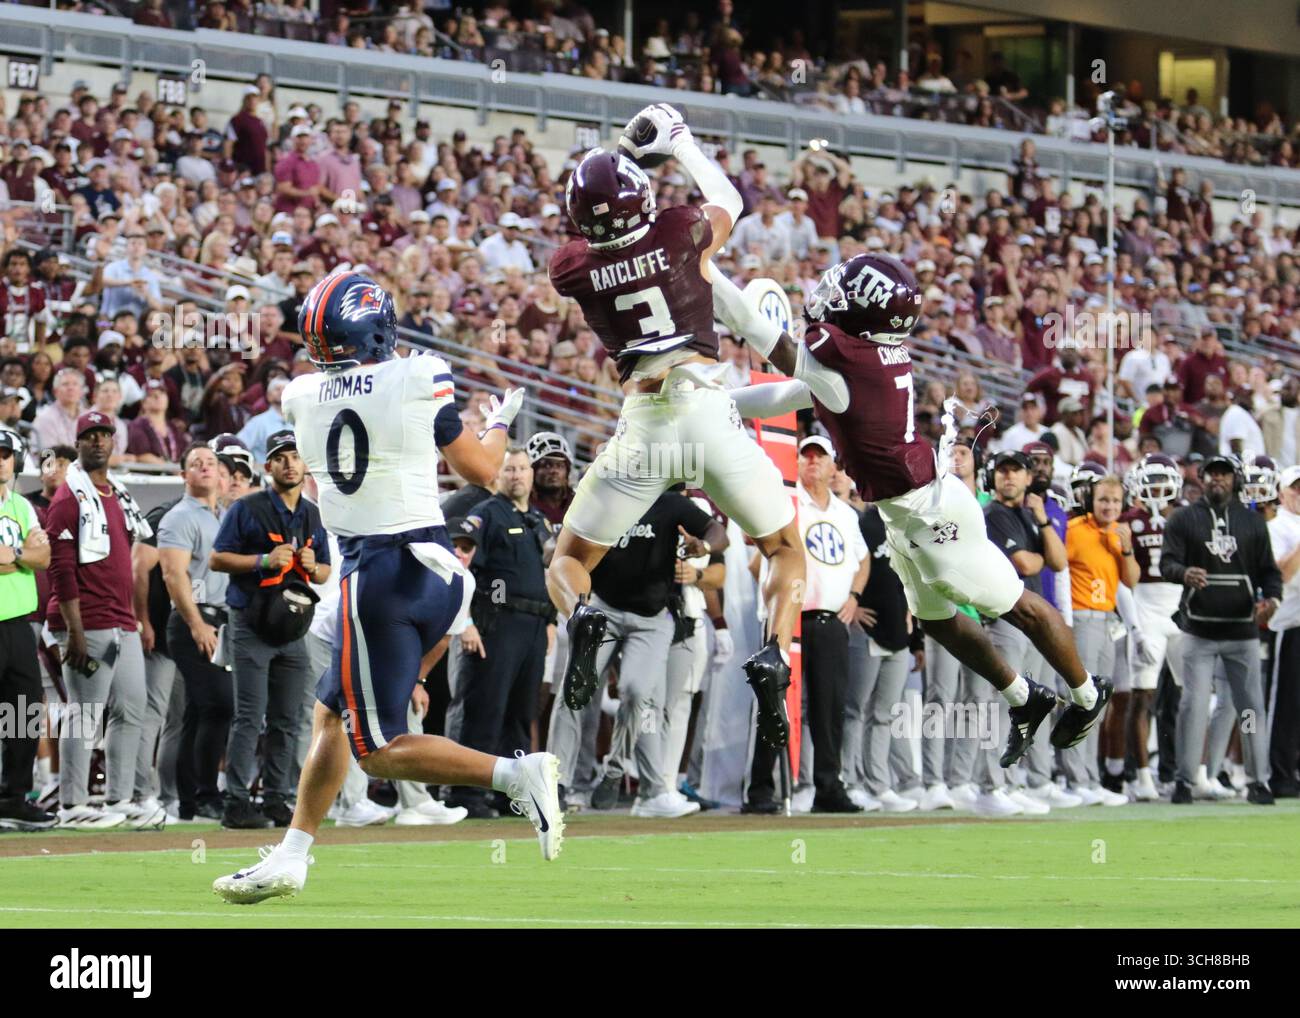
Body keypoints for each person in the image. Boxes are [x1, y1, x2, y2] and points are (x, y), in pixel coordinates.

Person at [213, 273, 559, 905]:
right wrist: (502, 422)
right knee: (329, 715)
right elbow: (482, 469)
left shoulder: (300, 393)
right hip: (431, 569)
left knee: (377, 749)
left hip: (379, 575)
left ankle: (515, 773)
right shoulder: (421, 373)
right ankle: (293, 855)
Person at [724, 252, 1111, 776]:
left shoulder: (851, 360)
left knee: (1014, 606)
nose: (832, 295)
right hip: (903, 510)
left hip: (929, 510)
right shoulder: (860, 361)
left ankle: (1087, 695)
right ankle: (1026, 697)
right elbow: (785, 393)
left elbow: (766, 338)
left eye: (845, 291)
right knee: (937, 621)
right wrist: (716, 404)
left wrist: (705, 274)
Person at [546, 106, 805, 757]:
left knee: (571, 562)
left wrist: (614, 154)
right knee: (783, 547)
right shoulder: (676, 232)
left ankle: (584, 623)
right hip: (710, 413)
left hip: (644, 425)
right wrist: (679, 142)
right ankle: (774, 654)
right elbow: (728, 198)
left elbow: (595, 216)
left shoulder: (571, 267)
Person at [554, 487, 725, 818]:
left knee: (638, 692)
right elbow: (565, 546)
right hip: (603, 608)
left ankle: (616, 768)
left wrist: (702, 545)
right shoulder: (602, 495)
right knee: (575, 689)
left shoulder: (671, 502)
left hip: (652, 619)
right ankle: (556, 780)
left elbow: (718, 534)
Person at [46, 411, 162, 830]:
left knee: (131, 709)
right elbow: (60, 571)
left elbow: (128, 565)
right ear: (77, 444)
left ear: (114, 442)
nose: (97, 442)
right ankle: (72, 804)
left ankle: (120, 798)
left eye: (104, 435)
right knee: (83, 712)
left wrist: (136, 618)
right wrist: (73, 630)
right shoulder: (68, 498)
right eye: (89, 436)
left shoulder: (119, 495)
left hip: (120, 620)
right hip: (86, 622)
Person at [210, 429, 329, 831]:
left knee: (290, 717)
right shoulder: (248, 507)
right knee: (249, 715)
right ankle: (237, 800)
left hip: (294, 624)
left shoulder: (312, 512)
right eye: (281, 457)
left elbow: (327, 571)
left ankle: (278, 797)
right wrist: (261, 561)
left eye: (295, 456)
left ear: (305, 464)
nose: (290, 463)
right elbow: (217, 559)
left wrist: (314, 567)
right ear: (268, 466)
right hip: (251, 621)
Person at [1161, 453, 1281, 805]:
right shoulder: (1183, 519)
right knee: (1193, 706)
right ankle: (1185, 780)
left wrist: (1271, 599)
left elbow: (1269, 572)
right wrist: (1184, 574)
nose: (1217, 480)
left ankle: (1258, 781)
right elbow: (1167, 562)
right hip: (1199, 631)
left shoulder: (1253, 522)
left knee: (1249, 709)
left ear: (1235, 479)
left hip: (1242, 631)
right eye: (1211, 474)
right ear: (1201, 478)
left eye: (1224, 475)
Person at [447, 448, 555, 817]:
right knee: (484, 708)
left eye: (524, 468)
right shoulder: (486, 516)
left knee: (521, 713)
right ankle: (466, 794)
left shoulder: (538, 520)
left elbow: (547, 575)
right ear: (497, 474)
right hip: (496, 622)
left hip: (534, 625)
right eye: (510, 468)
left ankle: (512, 795)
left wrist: (551, 620)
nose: (518, 475)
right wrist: (467, 622)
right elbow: (463, 569)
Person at [784, 435, 871, 813]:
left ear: (835, 466)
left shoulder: (846, 514)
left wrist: (854, 597)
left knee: (830, 708)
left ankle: (828, 786)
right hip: (790, 617)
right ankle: (773, 788)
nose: (813, 462)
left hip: (832, 618)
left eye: (821, 457)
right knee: (781, 706)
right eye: (807, 456)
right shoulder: (788, 505)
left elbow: (863, 560)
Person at [981, 449, 1068, 815]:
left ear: (1029, 478)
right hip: (1005, 615)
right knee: (1002, 704)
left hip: (1030, 620)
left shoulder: (1031, 516)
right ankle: (991, 787)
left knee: (1027, 706)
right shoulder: (993, 514)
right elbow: (1024, 562)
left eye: (1016, 471)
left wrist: (1044, 523)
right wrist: (1041, 556)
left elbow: (1059, 561)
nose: (1009, 477)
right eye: (1003, 471)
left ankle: (1013, 782)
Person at [158, 444, 231, 823]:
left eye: (211, 463)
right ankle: (203, 795)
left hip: (222, 619)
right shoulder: (180, 517)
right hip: (194, 620)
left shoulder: (225, 514)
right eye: (195, 464)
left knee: (198, 711)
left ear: (221, 474)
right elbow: (173, 574)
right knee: (217, 705)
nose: (204, 468)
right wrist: (195, 623)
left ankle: (190, 801)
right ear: (184, 475)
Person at [1062, 473, 1136, 806]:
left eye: (1115, 501)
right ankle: (1076, 779)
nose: (1109, 506)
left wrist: (1128, 548)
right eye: (1104, 499)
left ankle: (1089, 776)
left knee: (1098, 703)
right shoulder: (1076, 530)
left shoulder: (1119, 534)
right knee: (1083, 698)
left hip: (1107, 619)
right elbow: (1058, 569)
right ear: (1092, 500)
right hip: (1082, 617)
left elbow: (1131, 581)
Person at [1118, 453, 1186, 801]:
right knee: (1143, 695)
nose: (1158, 488)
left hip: (1180, 610)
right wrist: (1134, 628)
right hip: (1144, 608)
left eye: (1163, 480)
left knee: (1189, 698)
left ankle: (1186, 773)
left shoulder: (1186, 517)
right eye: (1152, 480)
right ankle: (1139, 775)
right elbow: (1123, 580)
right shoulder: (1129, 520)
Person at [0, 431, 54, 830]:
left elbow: (44, 555)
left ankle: (14, 796)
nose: (0, 461)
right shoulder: (21, 511)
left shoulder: (21, 505)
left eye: (5, 455)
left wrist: (15, 554)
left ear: (15, 461)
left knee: (24, 711)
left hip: (19, 621)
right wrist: (25, 554)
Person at [1266, 465, 1300, 797]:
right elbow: (1282, 575)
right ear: (1282, 492)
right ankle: (1279, 773)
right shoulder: (1277, 527)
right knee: (1285, 702)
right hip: (1289, 623)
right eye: (1296, 488)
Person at [526, 431, 576, 526]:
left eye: (560, 466)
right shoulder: (522, 504)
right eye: (547, 465)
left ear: (568, 471)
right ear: (532, 471)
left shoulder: (578, 501)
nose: (554, 471)